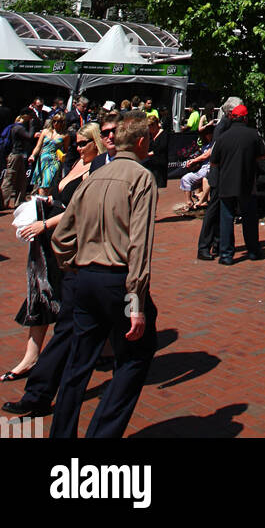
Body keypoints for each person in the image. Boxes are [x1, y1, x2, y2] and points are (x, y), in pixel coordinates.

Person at [48, 114, 159, 439]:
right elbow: (139, 244)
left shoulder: (95, 176)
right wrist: (136, 303)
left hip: (85, 279)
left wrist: (74, 265)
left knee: (78, 364)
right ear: (141, 142)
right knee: (136, 355)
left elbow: (61, 237)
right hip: (119, 283)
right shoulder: (141, 178)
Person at [2, 123, 105, 386]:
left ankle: (100, 350)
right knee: (40, 296)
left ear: (96, 142)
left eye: (84, 143)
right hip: (54, 242)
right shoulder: (77, 162)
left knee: (65, 302)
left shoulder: (98, 169)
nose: (79, 147)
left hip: (73, 246)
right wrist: (46, 202)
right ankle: (30, 357)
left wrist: (45, 223)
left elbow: (79, 210)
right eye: (77, 143)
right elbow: (64, 201)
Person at [210, 104, 265, 264]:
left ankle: (226, 255)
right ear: (246, 117)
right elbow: (261, 160)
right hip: (247, 183)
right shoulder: (253, 135)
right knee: (249, 218)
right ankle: (253, 250)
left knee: (226, 218)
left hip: (226, 184)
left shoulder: (222, 137)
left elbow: (214, 162)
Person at [195, 96, 241, 261]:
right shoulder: (223, 127)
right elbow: (216, 152)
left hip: (224, 174)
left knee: (221, 210)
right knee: (213, 211)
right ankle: (204, 246)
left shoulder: (226, 125)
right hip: (219, 175)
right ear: (230, 112)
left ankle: (218, 242)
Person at [1, 112, 39, 209]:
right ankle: (3, 202)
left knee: (22, 179)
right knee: (9, 179)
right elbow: (29, 136)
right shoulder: (19, 128)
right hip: (15, 155)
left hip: (18, 155)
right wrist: (32, 126)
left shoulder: (15, 127)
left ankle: (19, 201)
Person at [143, 111, 169, 190]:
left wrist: (151, 153)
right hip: (150, 164)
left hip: (160, 164)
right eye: (148, 126)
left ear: (156, 124)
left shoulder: (164, 134)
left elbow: (162, 148)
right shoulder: (149, 135)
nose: (150, 128)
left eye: (151, 125)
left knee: (159, 186)